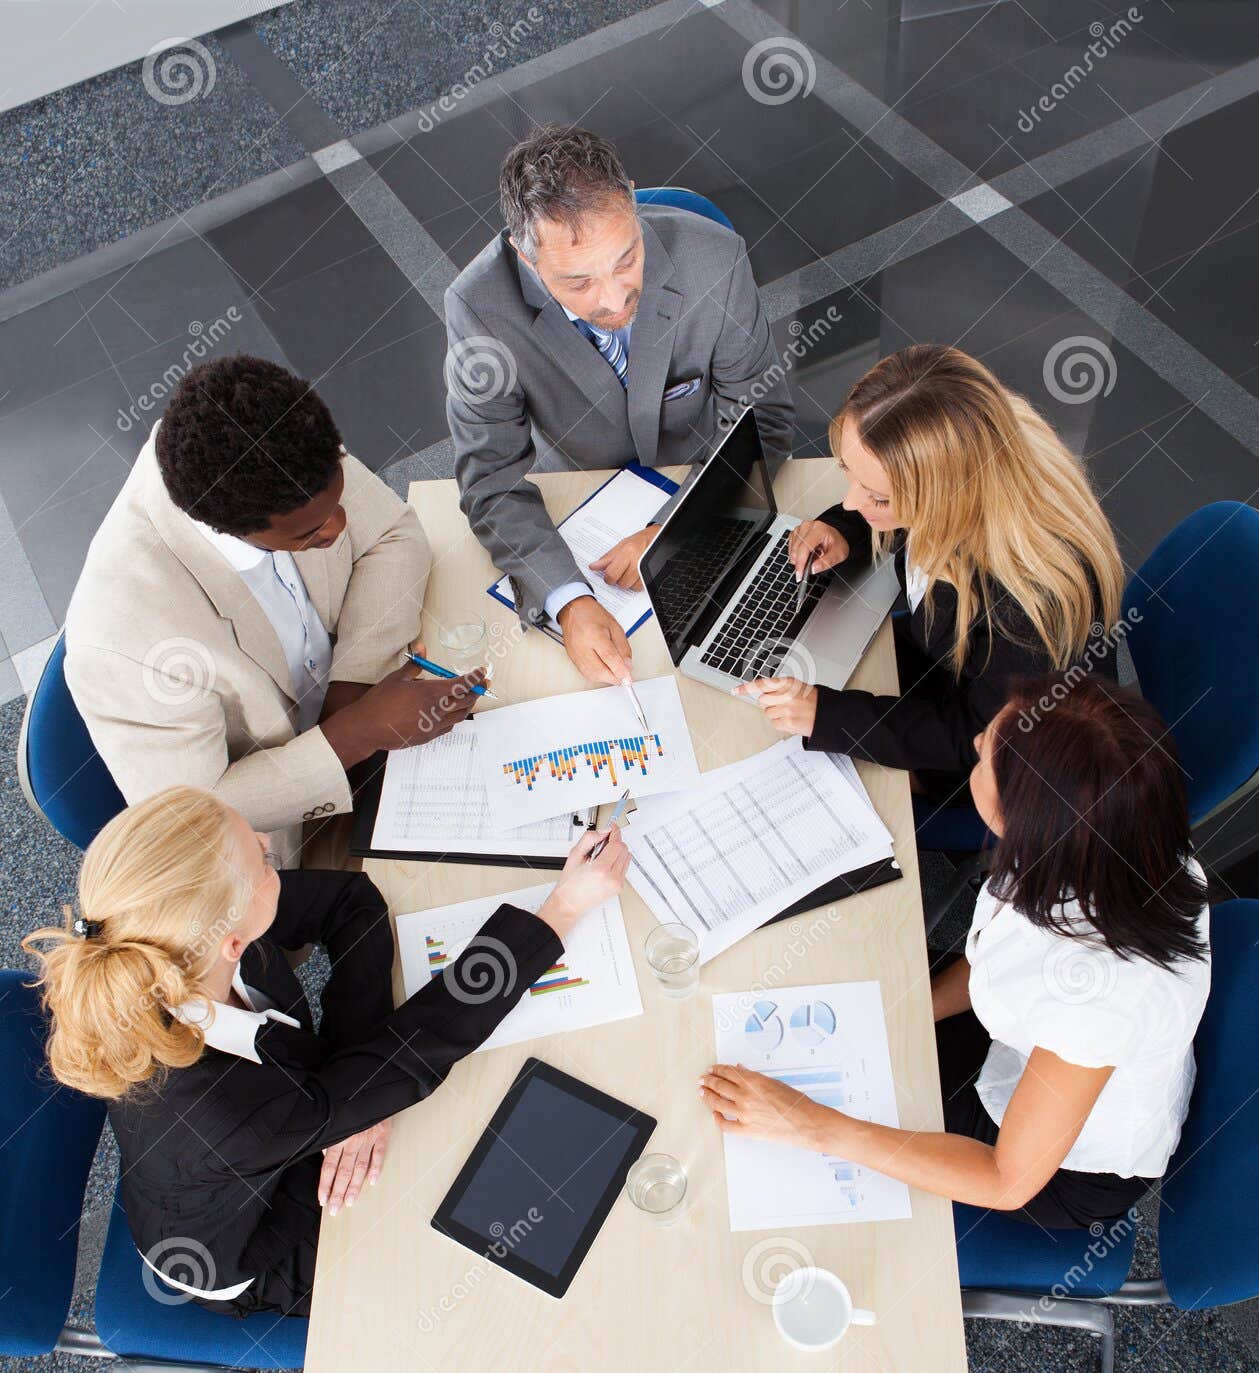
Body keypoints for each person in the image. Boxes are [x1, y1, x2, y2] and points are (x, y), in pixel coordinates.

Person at [24, 787, 630, 1318]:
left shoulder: (185, 938)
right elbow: (416, 1055)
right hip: (251, 1246)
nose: (267, 841)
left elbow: (353, 905)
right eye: (262, 859)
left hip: (253, 1139)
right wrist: (561, 910)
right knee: (470, 1245)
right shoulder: (224, 1109)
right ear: (232, 940)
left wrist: (351, 1094)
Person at [702, 679, 1211, 1228]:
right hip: (1024, 1049)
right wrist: (907, 1008)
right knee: (850, 1027)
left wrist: (809, 1124)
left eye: (984, 759)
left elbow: (1006, 1179)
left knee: (805, 1156)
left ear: (1024, 818)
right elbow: (1004, 954)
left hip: (1062, 1169)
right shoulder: (1103, 836)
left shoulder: (1098, 995)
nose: (973, 746)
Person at [65, 354, 477, 867]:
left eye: (339, 500)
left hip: (367, 708)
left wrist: (351, 691)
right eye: (309, 533)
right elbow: (195, 817)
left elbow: (393, 532)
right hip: (286, 830)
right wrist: (357, 733)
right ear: (227, 526)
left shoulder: (274, 439)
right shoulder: (125, 644)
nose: (339, 528)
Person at [445, 124, 794, 687]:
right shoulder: (478, 306)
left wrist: (676, 527)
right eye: (577, 282)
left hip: (700, 475)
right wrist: (568, 600)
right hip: (580, 487)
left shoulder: (715, 259)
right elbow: (488, 479)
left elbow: (764, 419)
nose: (612, 300)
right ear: (526, 258)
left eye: (627, 259)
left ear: (631, 201)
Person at [736, 345, 1126, 806]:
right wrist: (843, 531)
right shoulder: (979, 442)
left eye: (877, 498)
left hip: (998, 756)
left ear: (949, 497)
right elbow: (887, 490)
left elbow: (974, 739)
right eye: (849, 472)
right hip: (946, 667)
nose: (850, 502)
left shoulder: (1026, 612)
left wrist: (828, 717)